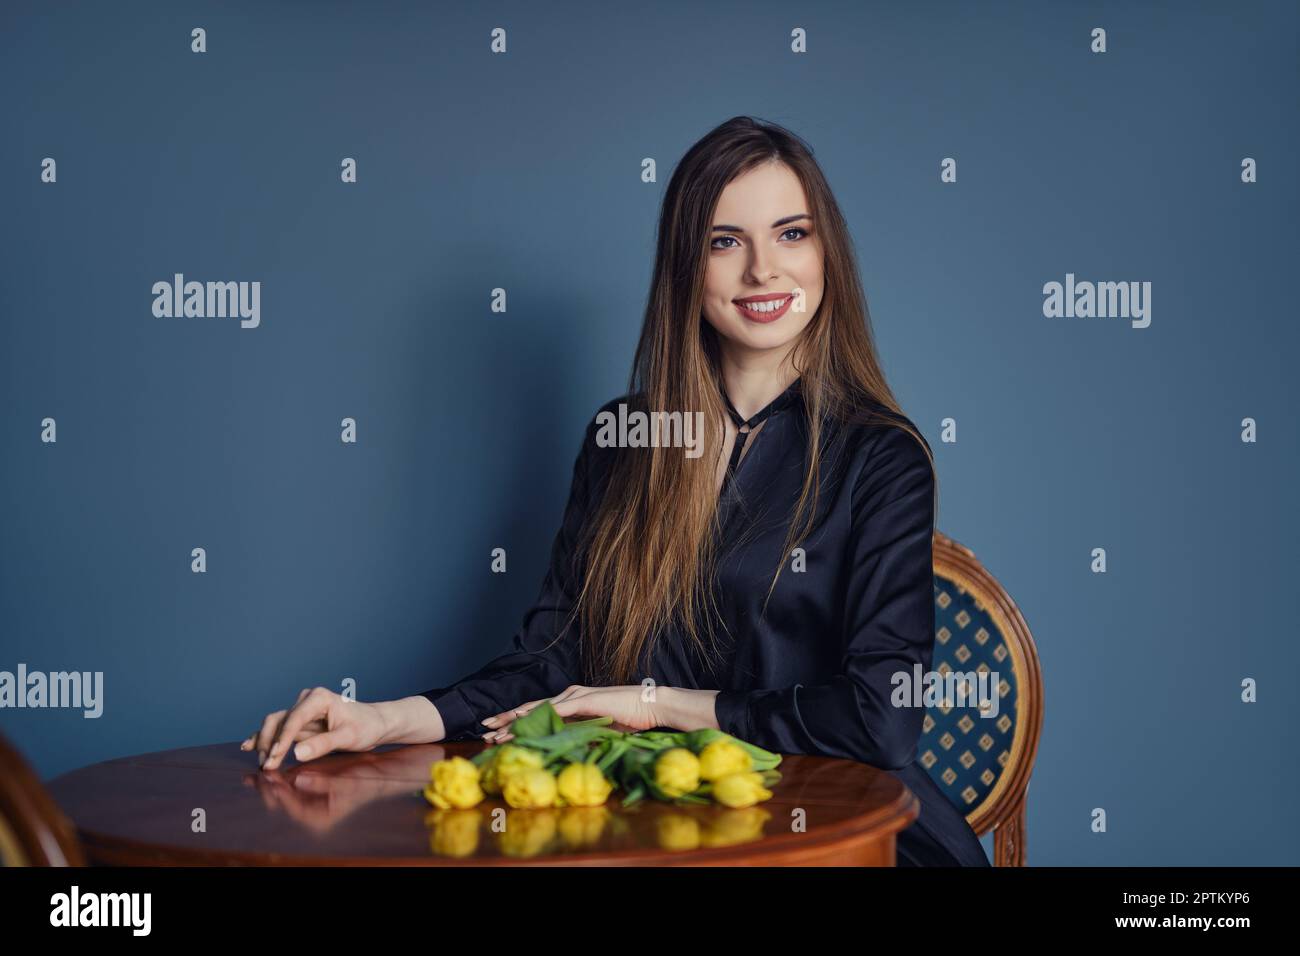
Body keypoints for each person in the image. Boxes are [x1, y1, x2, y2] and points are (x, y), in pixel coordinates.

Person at [244, 116, 990, 867]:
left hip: (843, 836)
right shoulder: (624, 439)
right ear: (684, 267)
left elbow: (879, 722)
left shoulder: (882, 457)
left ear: (827, 252)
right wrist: (383, 719)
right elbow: (549, 662)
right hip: (657, 823)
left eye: (791, 234)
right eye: (724, 241)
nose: (764, 270)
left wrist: (653, 705)